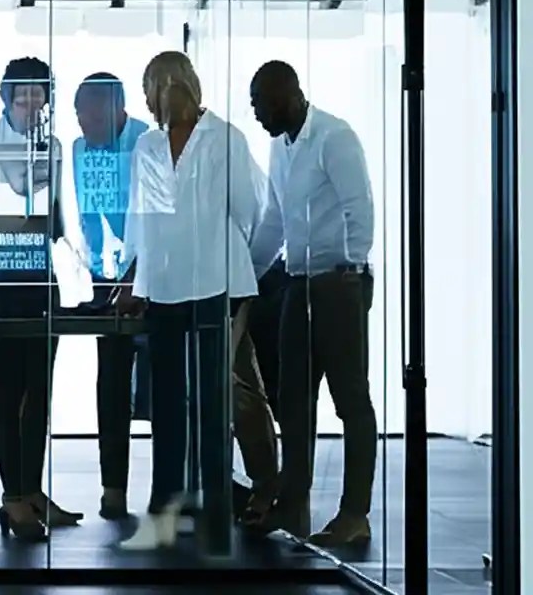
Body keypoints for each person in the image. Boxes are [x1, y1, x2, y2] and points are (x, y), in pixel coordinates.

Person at [116, 52, 263, 550]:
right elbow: (145, 219)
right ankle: (164, 505)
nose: (146, 101)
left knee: (210, 399)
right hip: (163, 286)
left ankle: (215, 503)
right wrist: (136, 285)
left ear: (172, 86)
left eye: (149, 90)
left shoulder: (224, 139)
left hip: (213, 283)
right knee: (166, 404)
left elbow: (248, 208)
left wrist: (221, 255)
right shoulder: (148, 145)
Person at [248, 60, 376, 547]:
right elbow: (275, 220)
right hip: (297, 283)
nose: (257, 114)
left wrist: (353, 267)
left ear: (286, 94)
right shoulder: (280, 146)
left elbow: (358, 205)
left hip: (338, 283)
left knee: (350, 400)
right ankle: (291, 504)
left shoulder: (333, 137)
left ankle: (354, 513)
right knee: (294, 400)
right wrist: (250, 274)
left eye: (261, 103)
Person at [0, 57, 83, 541]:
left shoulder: (51, 144)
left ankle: (32, 490)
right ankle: (12, 496)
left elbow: (53, 211)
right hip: (3, 275)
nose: (33, 104)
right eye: (25, 95)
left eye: (40, 95)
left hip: (42, 272)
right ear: (7, 98)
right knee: (10, 387)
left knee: (40, 389)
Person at [68, 72, 150, 520]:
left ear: (119, 110)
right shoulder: (82, 150)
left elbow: (154, 221)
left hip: (154, 275)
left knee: (168, 390)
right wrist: (99, 276)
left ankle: (177, 493)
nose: (86, 126)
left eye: (95, 116)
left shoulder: (148, 144)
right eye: (81, 117)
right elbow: (88, 216)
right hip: (111, 278)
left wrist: (135, 277)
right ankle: (113, 489)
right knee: (112, 383)